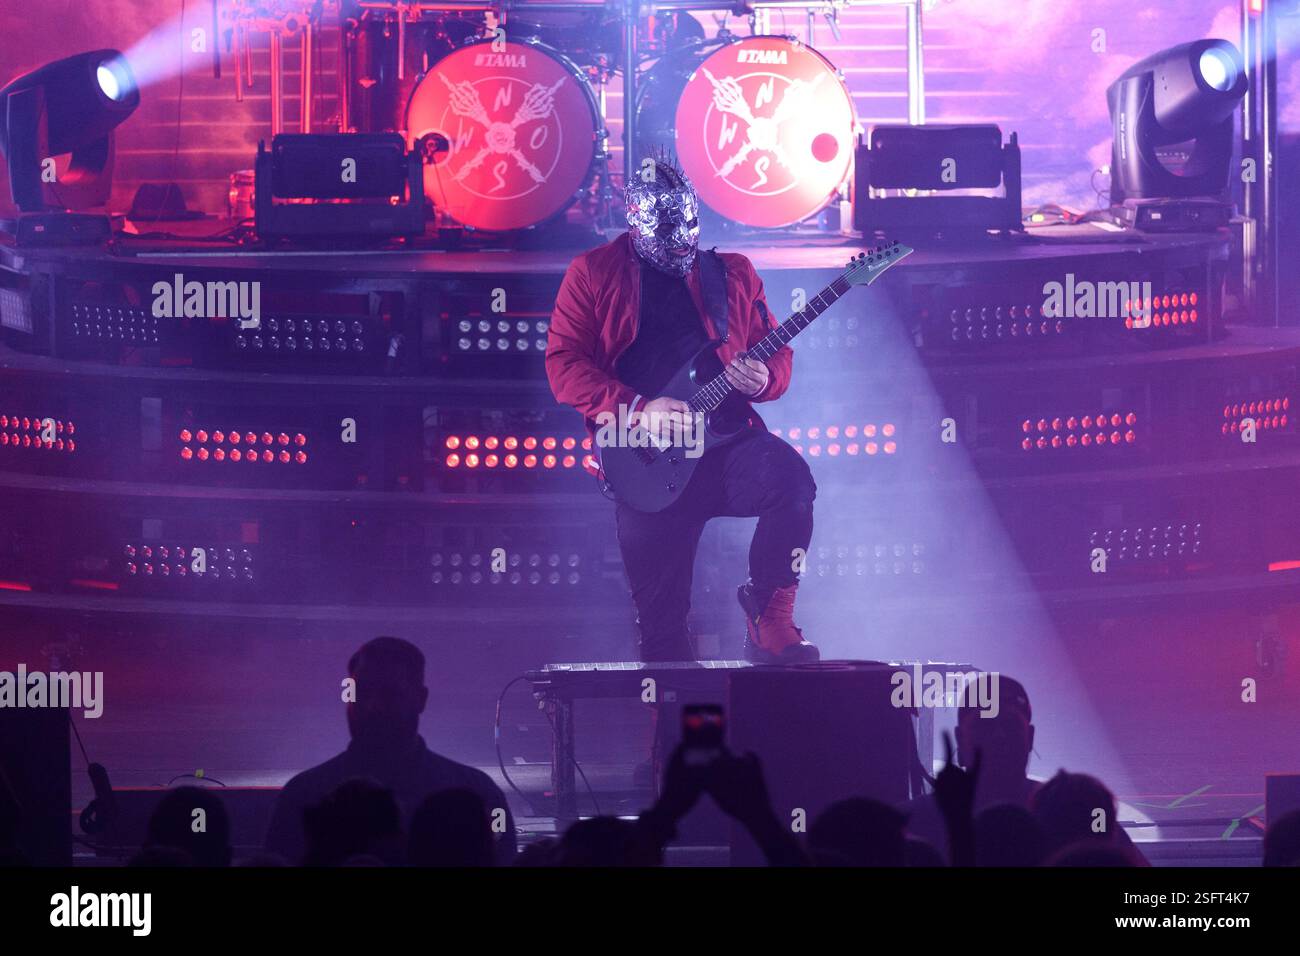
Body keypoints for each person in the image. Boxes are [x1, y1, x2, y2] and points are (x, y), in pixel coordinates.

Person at [546, 156, 817, 663]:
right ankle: (670, 731)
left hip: (726, 445)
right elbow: (563, 365)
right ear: (637, 223)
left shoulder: (732, 272)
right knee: (663, 638)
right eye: (669, 234)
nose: (682, 245)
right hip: (644, 462)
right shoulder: (592, 273)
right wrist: (635, 407)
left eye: (690, 229)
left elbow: (774, 350)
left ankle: (769, 615)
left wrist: (766, 378)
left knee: (793, 484)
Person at [265, 636, 516, 864]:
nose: (372, 706)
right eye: (361, 692)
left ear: (421, 699)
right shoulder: (477, 790)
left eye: (389, 694)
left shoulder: (304, 792)